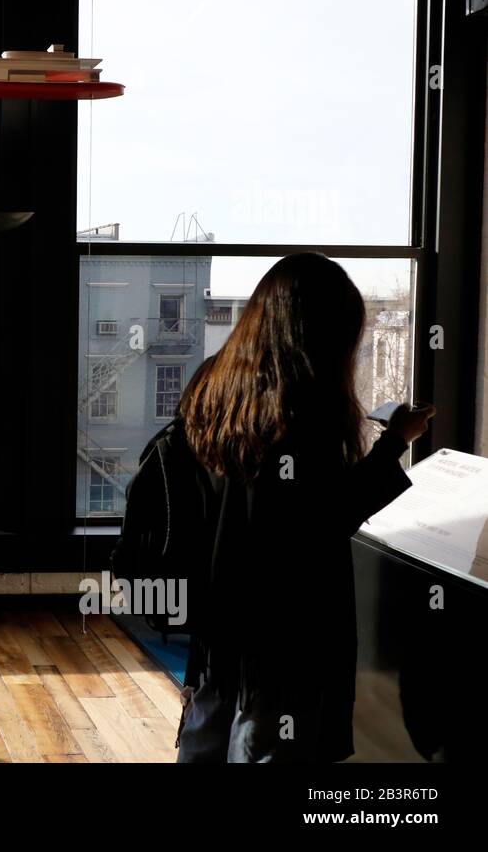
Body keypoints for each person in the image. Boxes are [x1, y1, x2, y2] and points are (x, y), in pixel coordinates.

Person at [174, 252, 435, 763]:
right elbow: (325, 518)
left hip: (219, 605)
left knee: (210, 725)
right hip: (288, 622)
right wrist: (394, 442)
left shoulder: (213, 380)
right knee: (269, 740)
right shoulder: (303, 403)